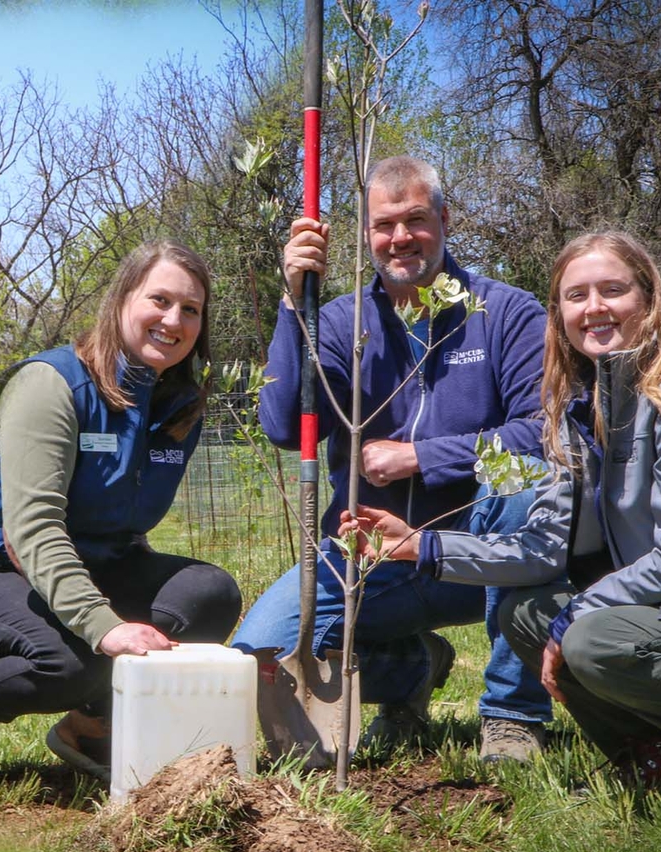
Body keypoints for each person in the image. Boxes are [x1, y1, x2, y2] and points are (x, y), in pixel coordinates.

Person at [348, 231, 661, 813]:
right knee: (526, 614)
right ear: (559, 314)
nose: (594, 308)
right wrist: (422, 547)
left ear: (649, 299)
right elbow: (543, 551)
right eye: (576, 295)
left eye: (612, 290)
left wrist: (575, 618)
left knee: (591, 636)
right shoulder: (579, 412)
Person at [230, 156, 554, 763]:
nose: (400, 237)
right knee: (259, 658)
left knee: (523, 487)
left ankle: (512, 716)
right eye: (384, 224)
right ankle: (411, 666)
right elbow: (280, 426)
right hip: (367, 554)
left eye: (415, 220)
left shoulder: (506, 313)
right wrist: (292, 303)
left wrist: (422, 457)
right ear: (366, 235)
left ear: (445, 219)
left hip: (473, 554)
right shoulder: (340, 322)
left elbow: (542, 434)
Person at [0, 239, 243, 799]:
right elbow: (31, 530)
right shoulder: (52, 385)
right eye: (158, 300)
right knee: (74, 656)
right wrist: (104, 625)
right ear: (120, 302)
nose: (173, 319)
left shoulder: (177, 408)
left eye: (190, 309)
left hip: (90, 566)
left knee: (209, 594)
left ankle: (89, 728)